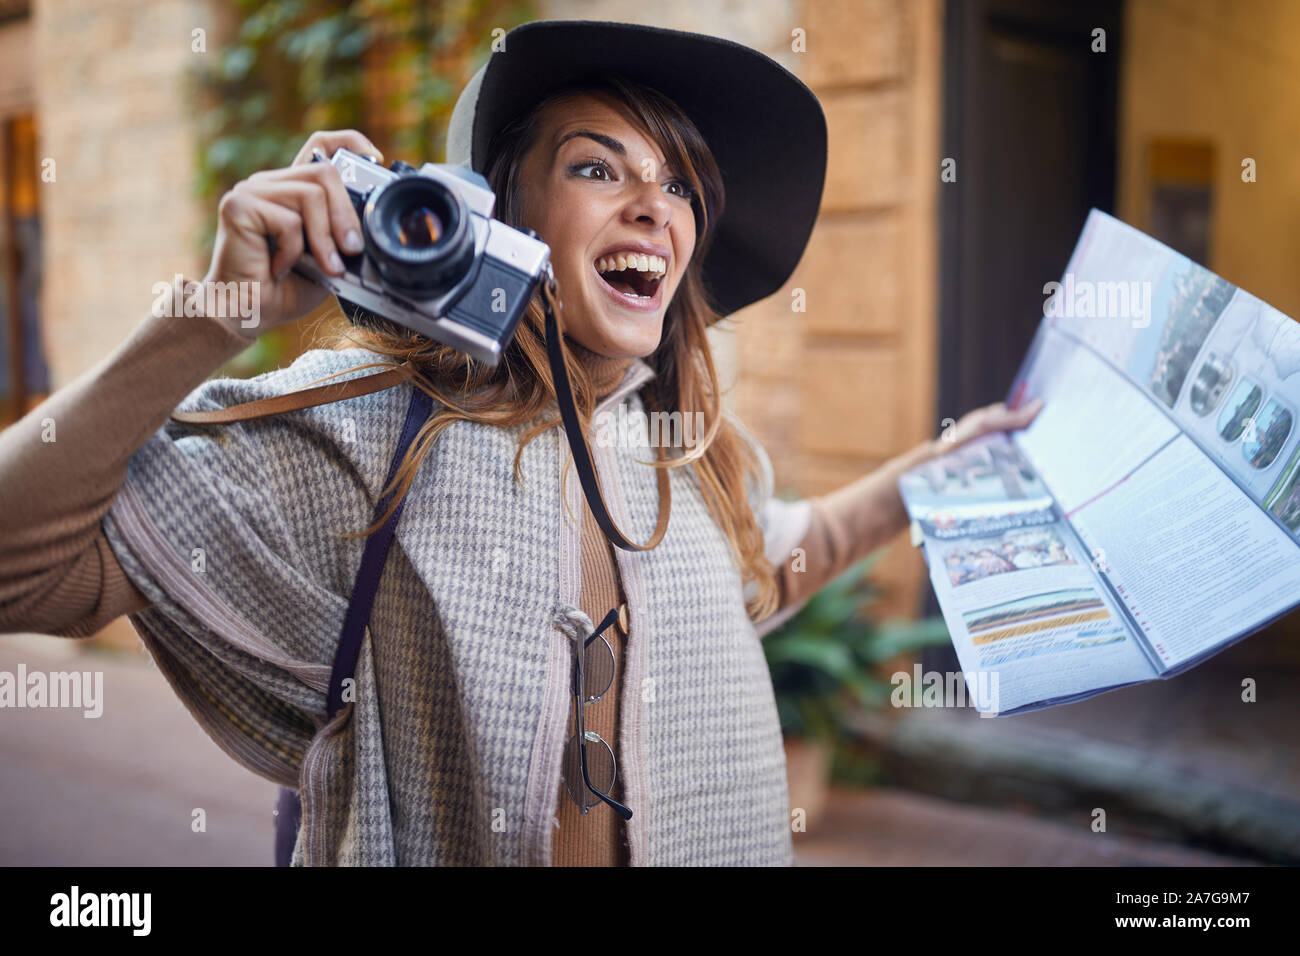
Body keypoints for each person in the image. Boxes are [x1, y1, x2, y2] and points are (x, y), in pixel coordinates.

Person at [0, 20, 1040, 865]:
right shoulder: (361, 434)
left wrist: (931, 475)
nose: (655, 209)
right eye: (600, 168)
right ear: (501, 210)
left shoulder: (690, 454)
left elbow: (771, 556)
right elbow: (19, 564)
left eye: (680, 187)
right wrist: (216, 311)